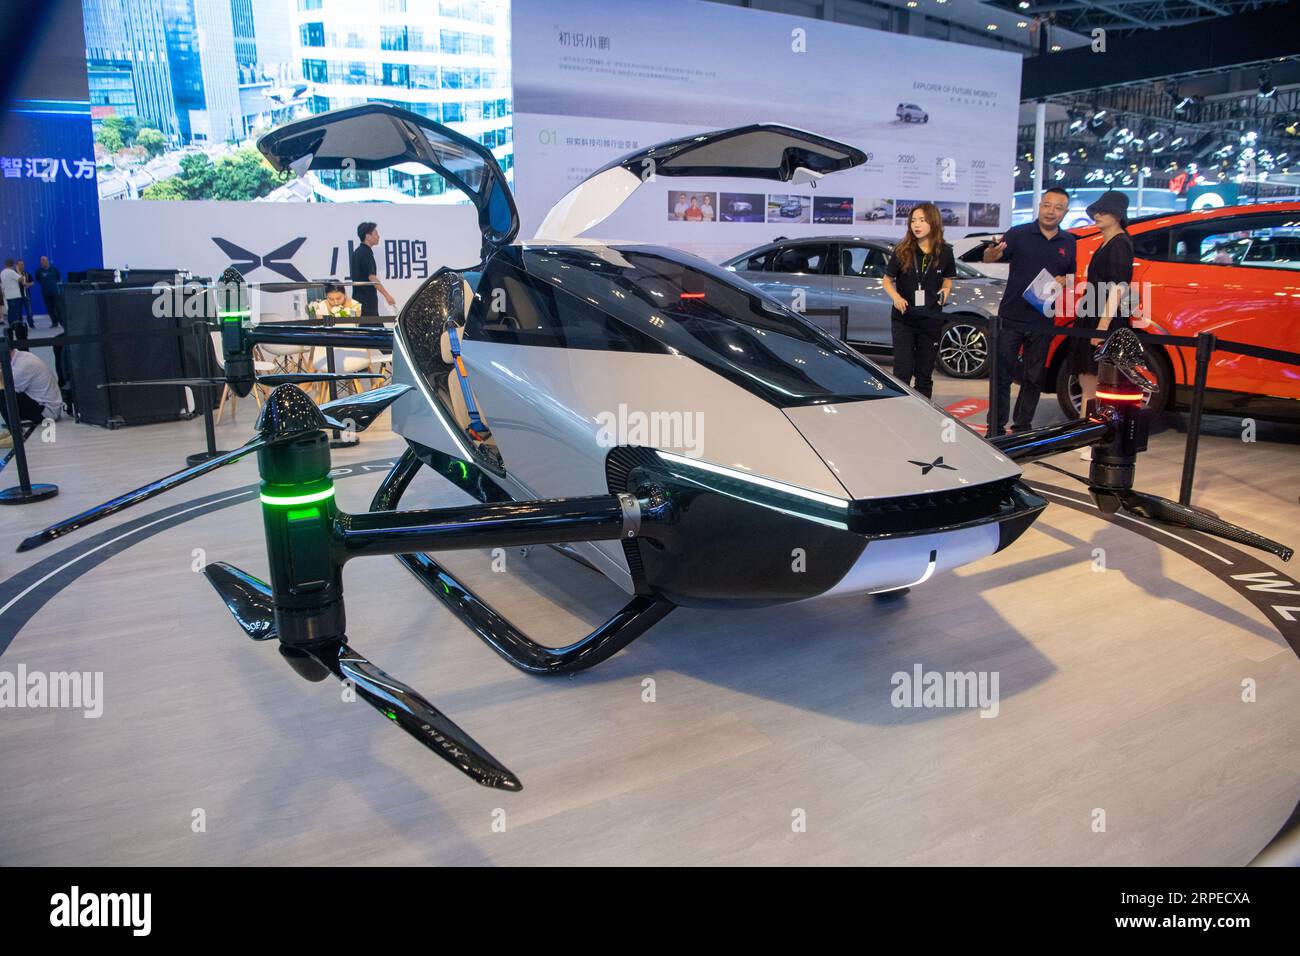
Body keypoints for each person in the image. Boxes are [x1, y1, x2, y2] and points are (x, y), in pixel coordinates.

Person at [982, 186, 1076, 435]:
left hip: (1043, 318)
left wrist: (1064, 281)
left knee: (1033, 377)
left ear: (1065, 212)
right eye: (1047, 205)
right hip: (1011, 316)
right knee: (1001, 374)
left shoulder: (1069, 242)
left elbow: (1070, 276)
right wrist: (992, 252)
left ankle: (1023, 425)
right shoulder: (1018, 233)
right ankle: (995, 426)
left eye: (1058, 207)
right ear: (1040, 206)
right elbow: (990, 258)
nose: (1051, 211)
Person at [1067, 190, 1134, 458]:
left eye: (1104, 211)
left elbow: (1118, 287)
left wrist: (1102, 325)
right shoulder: (1107, 242)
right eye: (1096, 210)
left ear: (1117, 214)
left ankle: (1093, 438)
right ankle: (1087, 433)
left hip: (1102, 316)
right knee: (1087, 377)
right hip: (1093, 313)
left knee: (1098, 378)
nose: (1097, 215)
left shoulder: (1120, 244)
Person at [882, 202, 956, 399]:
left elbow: (948, 279)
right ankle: (901, 413)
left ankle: (924, 416)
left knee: (924, 374)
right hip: (904, 319)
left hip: (931, 319)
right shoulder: (902, 250)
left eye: (922, 220)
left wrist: (946, 289)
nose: (917, 225)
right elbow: (887, 281)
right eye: (913, 220)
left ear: (933, 222)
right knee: (902, 372)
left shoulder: (945, 252)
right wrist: (897, 297)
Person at [0, 346, 62, 437]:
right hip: (44, 403)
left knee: (3, 397)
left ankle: (17, 435)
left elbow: (8, 390)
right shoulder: (21, 357)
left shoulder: (21, 367)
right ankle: (13, 431)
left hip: (47, 412)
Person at [350, 222, 395, 321]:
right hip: (366, 302)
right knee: (373, 331)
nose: (378, 236)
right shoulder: (366, 253)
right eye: (375, 233)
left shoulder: (357, 252)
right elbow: (372, 277)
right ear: (368, 236)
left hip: (359, 299)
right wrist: (387, 295)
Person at [34, 256, 64, 328]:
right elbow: (38, 279)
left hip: (55, 292)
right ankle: (54, 323)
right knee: (50, 309)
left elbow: (59, 278)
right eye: (41, 261)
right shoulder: (39, 271)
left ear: (48, 261)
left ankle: (62, 322)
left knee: (58, 308)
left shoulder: (54, 269)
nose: (42, 262)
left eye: (44, 260)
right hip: (45, 293)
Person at [2, 259, 25, 342]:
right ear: (13, 265)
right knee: (16, 312)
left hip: (8, 295)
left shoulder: (2, 272)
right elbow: (21, 279)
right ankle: (16, 328)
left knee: (11, 312)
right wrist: (18, 271)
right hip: (15, 295)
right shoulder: (11, 272)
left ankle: (12, 327)